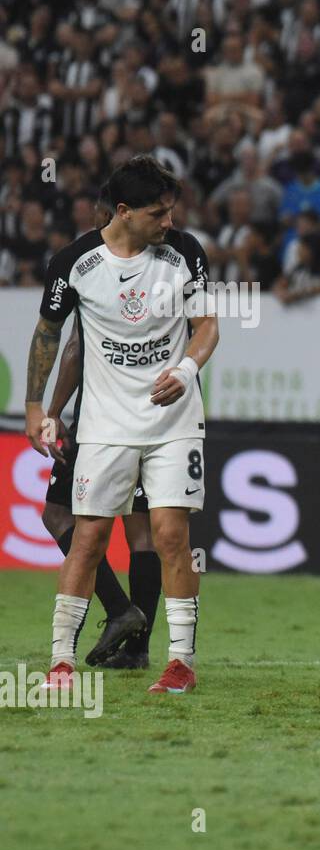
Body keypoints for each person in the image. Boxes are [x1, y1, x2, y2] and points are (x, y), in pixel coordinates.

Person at [24, 155, 217, 694]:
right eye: (159, 213)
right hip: (105, 426)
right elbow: (50, 335)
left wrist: (185, 367)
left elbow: (208, 326)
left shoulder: (184, 253)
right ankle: (61, 663)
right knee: (86, 538)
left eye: (171, 211)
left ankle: (180, 664)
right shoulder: (74, 263)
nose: (169, 222)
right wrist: (37, 409)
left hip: (173, 420)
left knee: (170, 534)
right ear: (124, 211)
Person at [40, 321, 163, 670]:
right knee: (141, 528)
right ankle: (137, 650)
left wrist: (52, 412)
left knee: (58, 514)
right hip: (156, 417)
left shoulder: (86, 268)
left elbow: (77, 345)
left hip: (100, 419)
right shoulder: (167, 271)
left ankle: (120, 610)